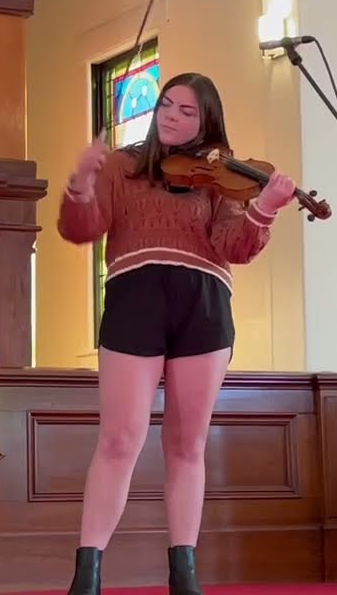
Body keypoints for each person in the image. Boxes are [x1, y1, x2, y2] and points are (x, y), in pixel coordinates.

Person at [57, 72, 296, 595]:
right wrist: (80, 182)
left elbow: (234, 245)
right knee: (120, 438)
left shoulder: (221, 176)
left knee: (187, 444)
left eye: (187, 111)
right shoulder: (121, 165)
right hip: (134, 298)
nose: (171, 115)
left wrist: (265, 207)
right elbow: (81, 228)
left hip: (203, 302)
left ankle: (184, 576)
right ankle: (87, 574)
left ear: (207, 120)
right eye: (167, 105)